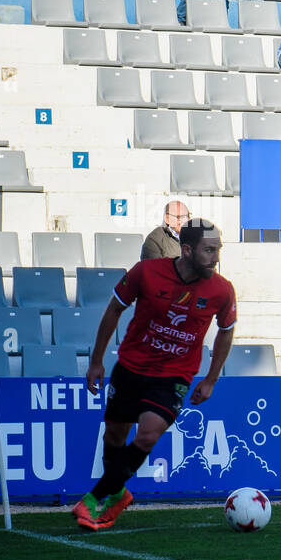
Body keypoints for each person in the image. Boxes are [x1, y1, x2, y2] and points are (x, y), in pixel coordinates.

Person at [73, 218, 236, 531]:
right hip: (131, 367)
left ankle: (93, 499)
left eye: (218, 249)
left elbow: (226, 331)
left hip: (174, 375)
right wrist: (96, 361)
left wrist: (211, 378)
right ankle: (117, 496)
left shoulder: (221, 290)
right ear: (186, 249)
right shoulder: (146, 272)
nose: (216, 257)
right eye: (209, 250)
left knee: (147, 434)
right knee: (114, 437)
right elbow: (114, 310)